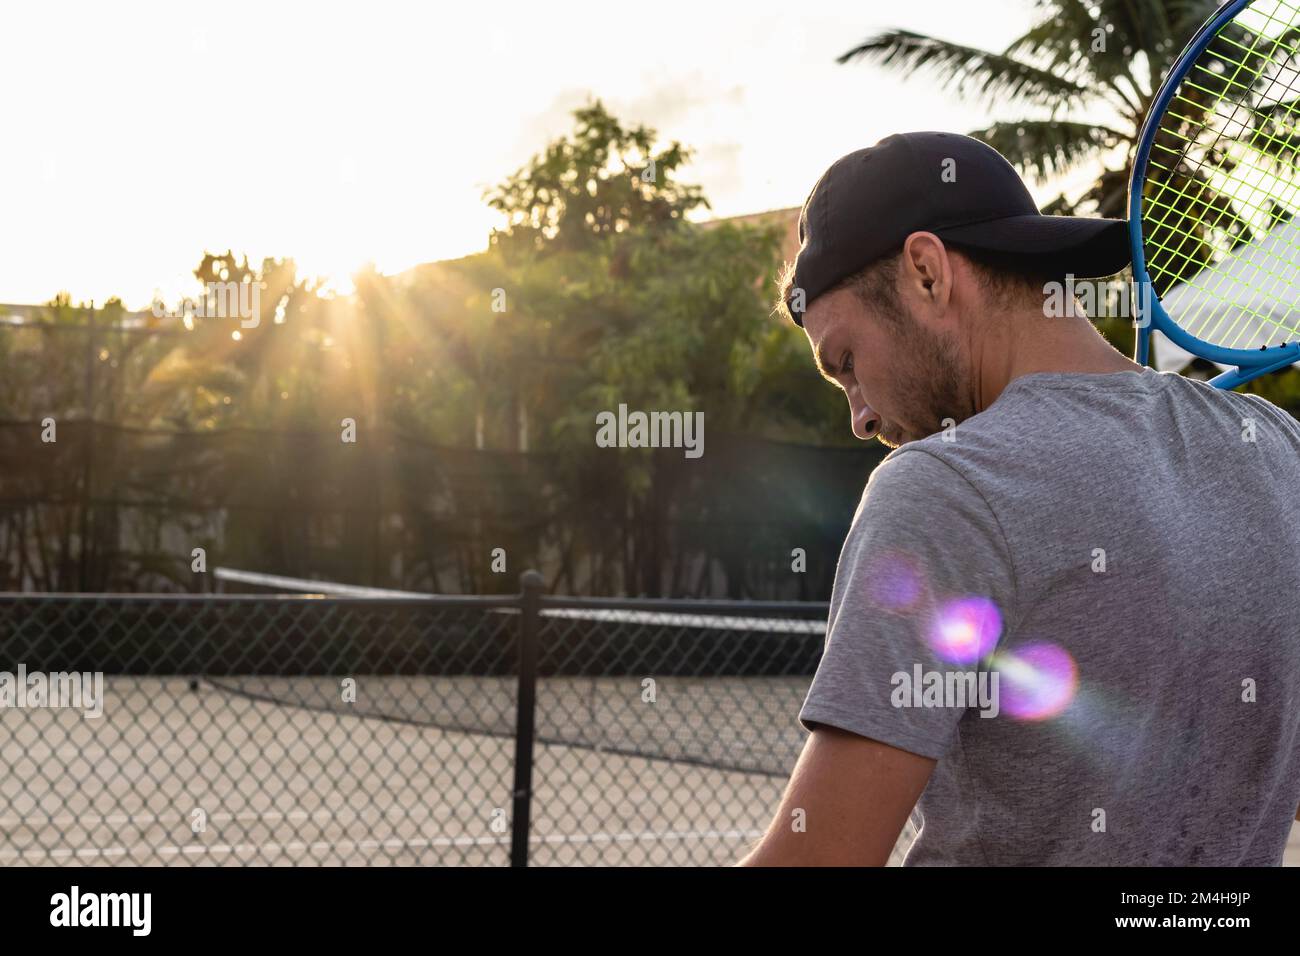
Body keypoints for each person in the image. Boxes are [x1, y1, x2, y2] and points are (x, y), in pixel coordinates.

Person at [736, 131, 1300, 866]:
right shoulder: (1280, 449)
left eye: (847, 363)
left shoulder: (945, 487)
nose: (861, 417)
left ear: (927, 272)